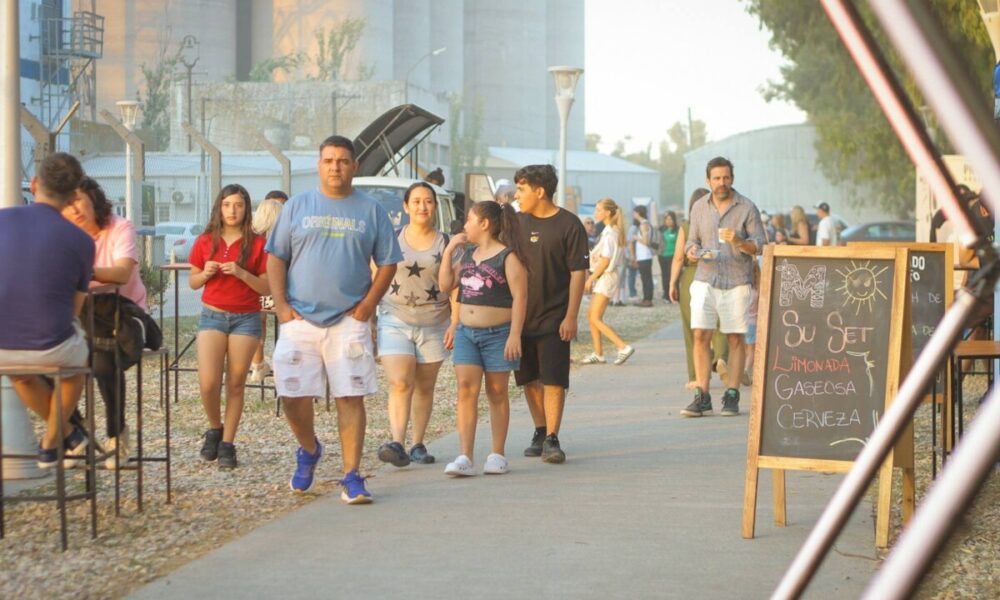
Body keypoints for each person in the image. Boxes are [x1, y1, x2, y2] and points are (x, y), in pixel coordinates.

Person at [267, 135, 401, 503]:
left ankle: (352, 476)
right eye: (329, 161)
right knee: (292, 395)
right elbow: (276, 257)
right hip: (299, 319)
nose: (336, 167)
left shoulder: (371, 210)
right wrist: (281, 306)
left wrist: (368, 306)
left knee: (350, 396)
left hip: (349, 320)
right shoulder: (297, 206)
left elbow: (389, 261)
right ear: (319, 164)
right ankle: (309, 449)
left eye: (343, 161)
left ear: (355, 166)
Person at [0, 152, 93, 469]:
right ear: (73, 197)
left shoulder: (2, 219)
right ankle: (54, 441)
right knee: (76, 366)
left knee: (19, 372)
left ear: (36, 183)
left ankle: (66, 436)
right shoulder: (81, 241)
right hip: (51, 345)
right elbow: (73, 310)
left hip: (2, 347)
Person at [61, 176, 148, 469]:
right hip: (80, 313)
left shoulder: (119, 227)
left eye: (78, 201)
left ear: (93, 200)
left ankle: (116, 432)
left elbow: (122, 274)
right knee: (45, 363)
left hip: (123, 313)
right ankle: (74, 431)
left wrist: (81, 271)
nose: (73, 210)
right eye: (66, 204)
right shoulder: (65, 234)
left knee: (101, 362)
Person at [438, 201, 527, 476]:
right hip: (466, 332)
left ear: (484, 224)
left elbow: (521, 297)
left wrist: (515, 334)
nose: (465, 226)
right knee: (466, 389)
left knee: (497, 392)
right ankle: (465, 455)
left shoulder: (508, 257)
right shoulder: (466, 255)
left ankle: (497, 454)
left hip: (498, 334)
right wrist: (450, 250)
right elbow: (444, 286)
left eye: (469, 220)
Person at [188, 184, 270, 470]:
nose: (232, 211)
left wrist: (241, 272)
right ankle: (215, 427)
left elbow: (266, 286)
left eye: (238, 205)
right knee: (208, 382)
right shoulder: (205, 240)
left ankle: (228, 444)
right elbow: (193, 282)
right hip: (212, 315)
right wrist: (206, 273)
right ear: (219, 208)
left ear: (247, 208)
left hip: (246, 318)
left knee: (236, 383)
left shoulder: (257, 243)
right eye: (227, 205)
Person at [514, 164, 589, 463]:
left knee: (554, 379)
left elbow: (578, 274)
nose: (518, 195)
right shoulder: (516, 224)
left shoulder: (570, 225)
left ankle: (553, 438)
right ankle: (540, 429)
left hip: (555, 317)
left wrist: (571, 316)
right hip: (520, 318)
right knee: (529, 378)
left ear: (539, 191)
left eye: (521, 189)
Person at [375, 182, 453, 468]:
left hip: (435, 321)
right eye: (417, 201)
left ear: (435, 206)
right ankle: (396, 442)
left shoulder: (447, 242)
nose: (423, 207)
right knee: (399, 382)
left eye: (428, 201)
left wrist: (455, 323)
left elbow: (453, 286)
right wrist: (368, 317)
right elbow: (374, 276)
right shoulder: (391, 238)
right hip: (394, 317)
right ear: (406, 207)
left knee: (424, 387)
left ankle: (418, 443)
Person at [681, 157, 765, 417]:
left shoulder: (747, 208)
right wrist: (692, 250)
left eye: (726, 177)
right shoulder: (699, 207)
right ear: (708, 181)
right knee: (700, 335)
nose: (722, 183)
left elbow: (760, 245)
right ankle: (703, 394)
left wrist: (739, 240)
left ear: (732, 179)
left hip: (737, 281)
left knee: (734, 338)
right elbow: (690, 241)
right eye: (717, 178)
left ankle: (732, 394)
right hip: (705, 278)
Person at [669, 189, 729, 390]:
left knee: (692, 328)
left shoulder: (686, 226)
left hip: (692, 276)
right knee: (720, 321)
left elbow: (678, 257)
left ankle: (695, 376)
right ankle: (721, 358)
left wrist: (672, 284)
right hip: (718, 274)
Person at [580, 198, 634, 366]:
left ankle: (622, 346)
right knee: (592, 315)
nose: (596, 213)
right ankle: (598, 353)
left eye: (598, 210)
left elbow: (605, 260)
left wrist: (591, 277)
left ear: (607, 212)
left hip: (607, 276)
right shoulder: (611, 231)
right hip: (606, 276)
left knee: (595, 317)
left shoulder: (610, 233)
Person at [248, 195, 285, 384]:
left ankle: (257, 363)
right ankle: (283, 365)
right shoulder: (283, 239)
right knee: (286, 323)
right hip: (282, 298)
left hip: (258, 298)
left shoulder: (252, 240)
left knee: (258, 321)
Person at [630, 205, 655, 307]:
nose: (633, 214)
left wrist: (636, 238)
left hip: (644, 255)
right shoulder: (645, 223)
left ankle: (647, 299)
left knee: (646, 278)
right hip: (644, 256)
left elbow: (645, 241)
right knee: (646, 278)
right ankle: (646, 298)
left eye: (634, 212)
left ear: (638, 213)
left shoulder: (643, 225)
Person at [657, 211, 679, 302]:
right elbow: (657, 243)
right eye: (667, 219)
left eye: (670, 219)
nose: (668, 221)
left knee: (674, 276)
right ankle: (666, 295)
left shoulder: (678, 230)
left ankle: (676, 295)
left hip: (674, 257)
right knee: (665, 276)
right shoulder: (662, 230)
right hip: (663, 256)